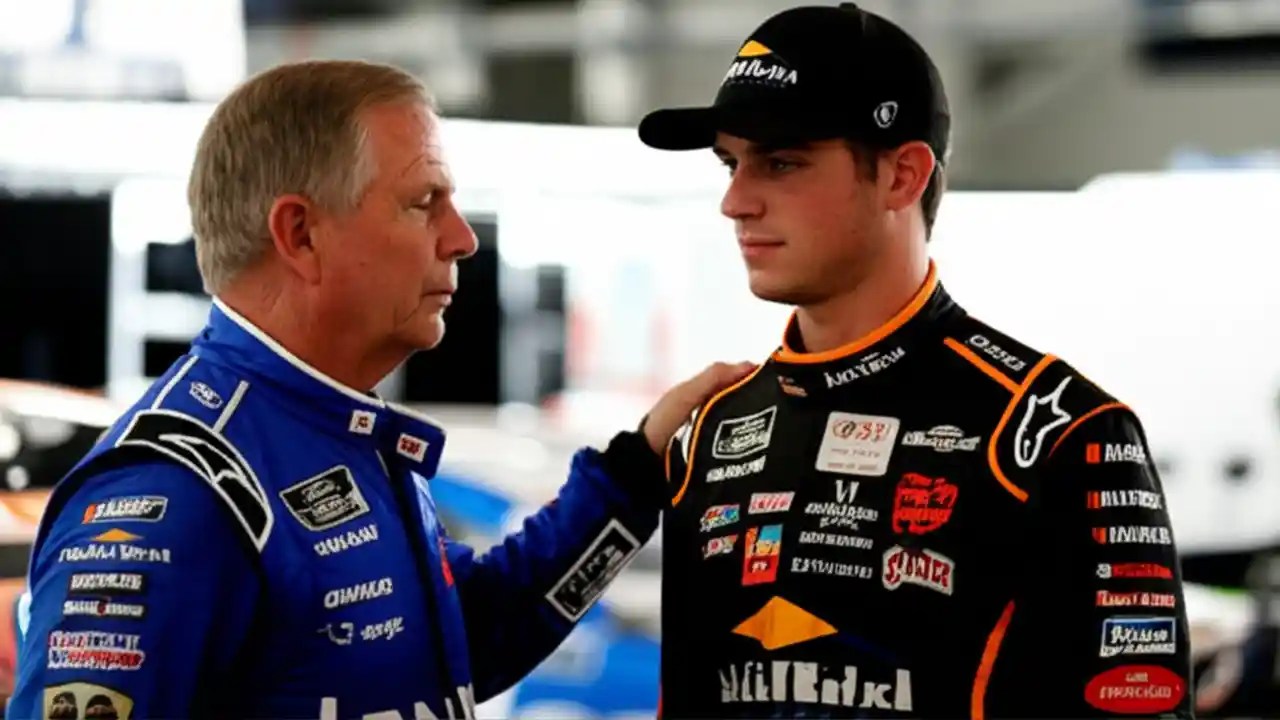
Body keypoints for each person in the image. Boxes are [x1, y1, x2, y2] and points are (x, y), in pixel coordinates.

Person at [9, 60, 752, 720]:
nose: (461, 237)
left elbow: (472, 641)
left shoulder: (336, 433)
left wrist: (630, 476)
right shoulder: (176, 491)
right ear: (300, 235)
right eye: (424, 201)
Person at [638, 3, 1192, 718]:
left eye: (781, 162)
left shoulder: (1059, 432)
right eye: (730, 163)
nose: (735, 201)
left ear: (903, 176)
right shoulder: (712, 430)